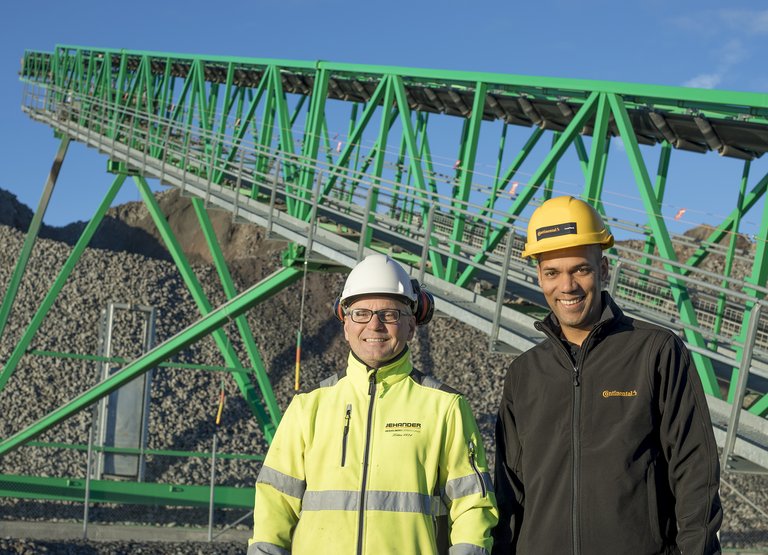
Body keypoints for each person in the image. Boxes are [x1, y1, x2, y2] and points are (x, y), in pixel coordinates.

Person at [492, 196, 722, 554]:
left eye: (580, 269)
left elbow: (696, 471)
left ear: (603, 269)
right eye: (552, 272)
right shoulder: (524, 373)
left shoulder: (656, 352)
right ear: (539, 275)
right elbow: (509, 491)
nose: (566, 286)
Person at [249, 253, 498, 554]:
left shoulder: (445, 407)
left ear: (411, 326)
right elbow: (274, 504)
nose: (375, 325)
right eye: (361, 313)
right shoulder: (308, 407)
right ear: (345, 325)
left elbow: (473, 506)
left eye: (390, 314)